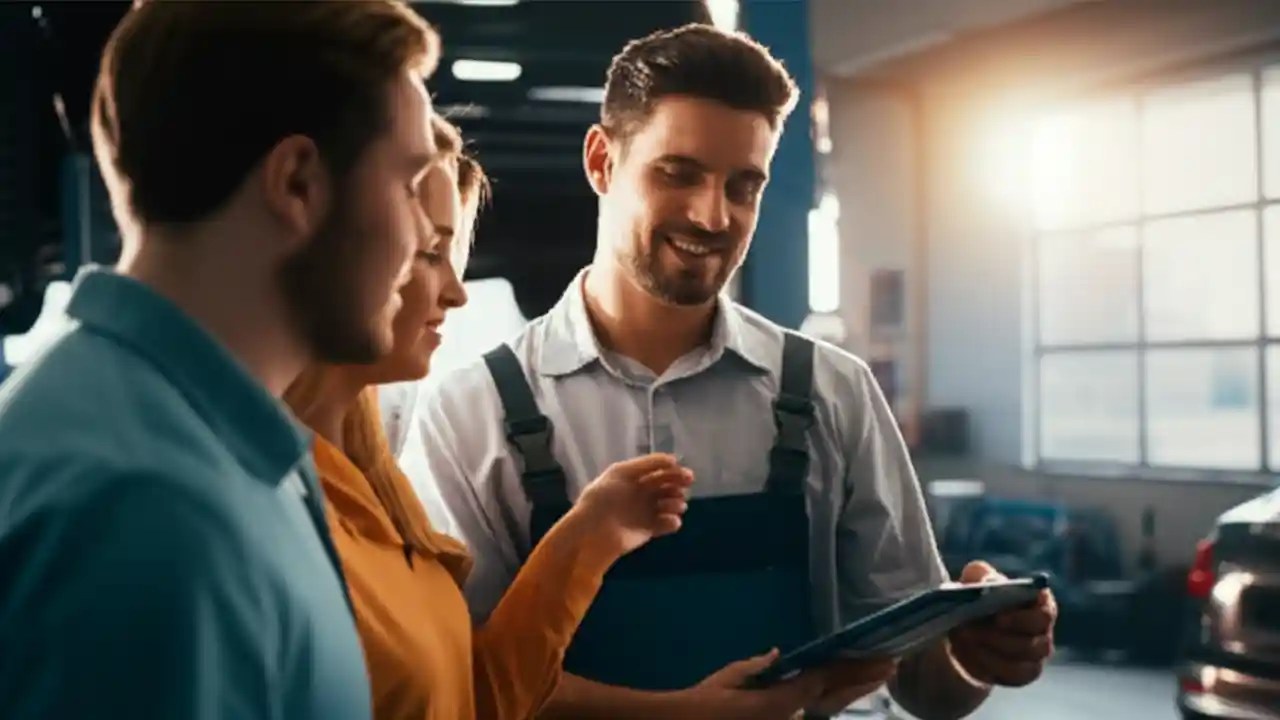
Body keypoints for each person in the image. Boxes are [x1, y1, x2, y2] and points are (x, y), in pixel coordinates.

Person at [403, 23, 1057, 720]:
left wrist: (976, 654)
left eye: (744, 185)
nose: (712, 215)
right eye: (677, 173)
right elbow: (465, 684)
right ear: (601, 161)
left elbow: (924, 686)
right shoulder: (473, 413)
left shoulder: (833, 393)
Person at [0, 2, 441, 718]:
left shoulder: (208, 444)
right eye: (408, 185)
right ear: (296, 182)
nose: (422, 233)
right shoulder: (147, 514)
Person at [285, 117, 698, 720]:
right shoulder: (269, 498)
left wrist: (587, 538)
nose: (457, 292)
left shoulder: (371, 482)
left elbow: (470, 700)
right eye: (429, 253)